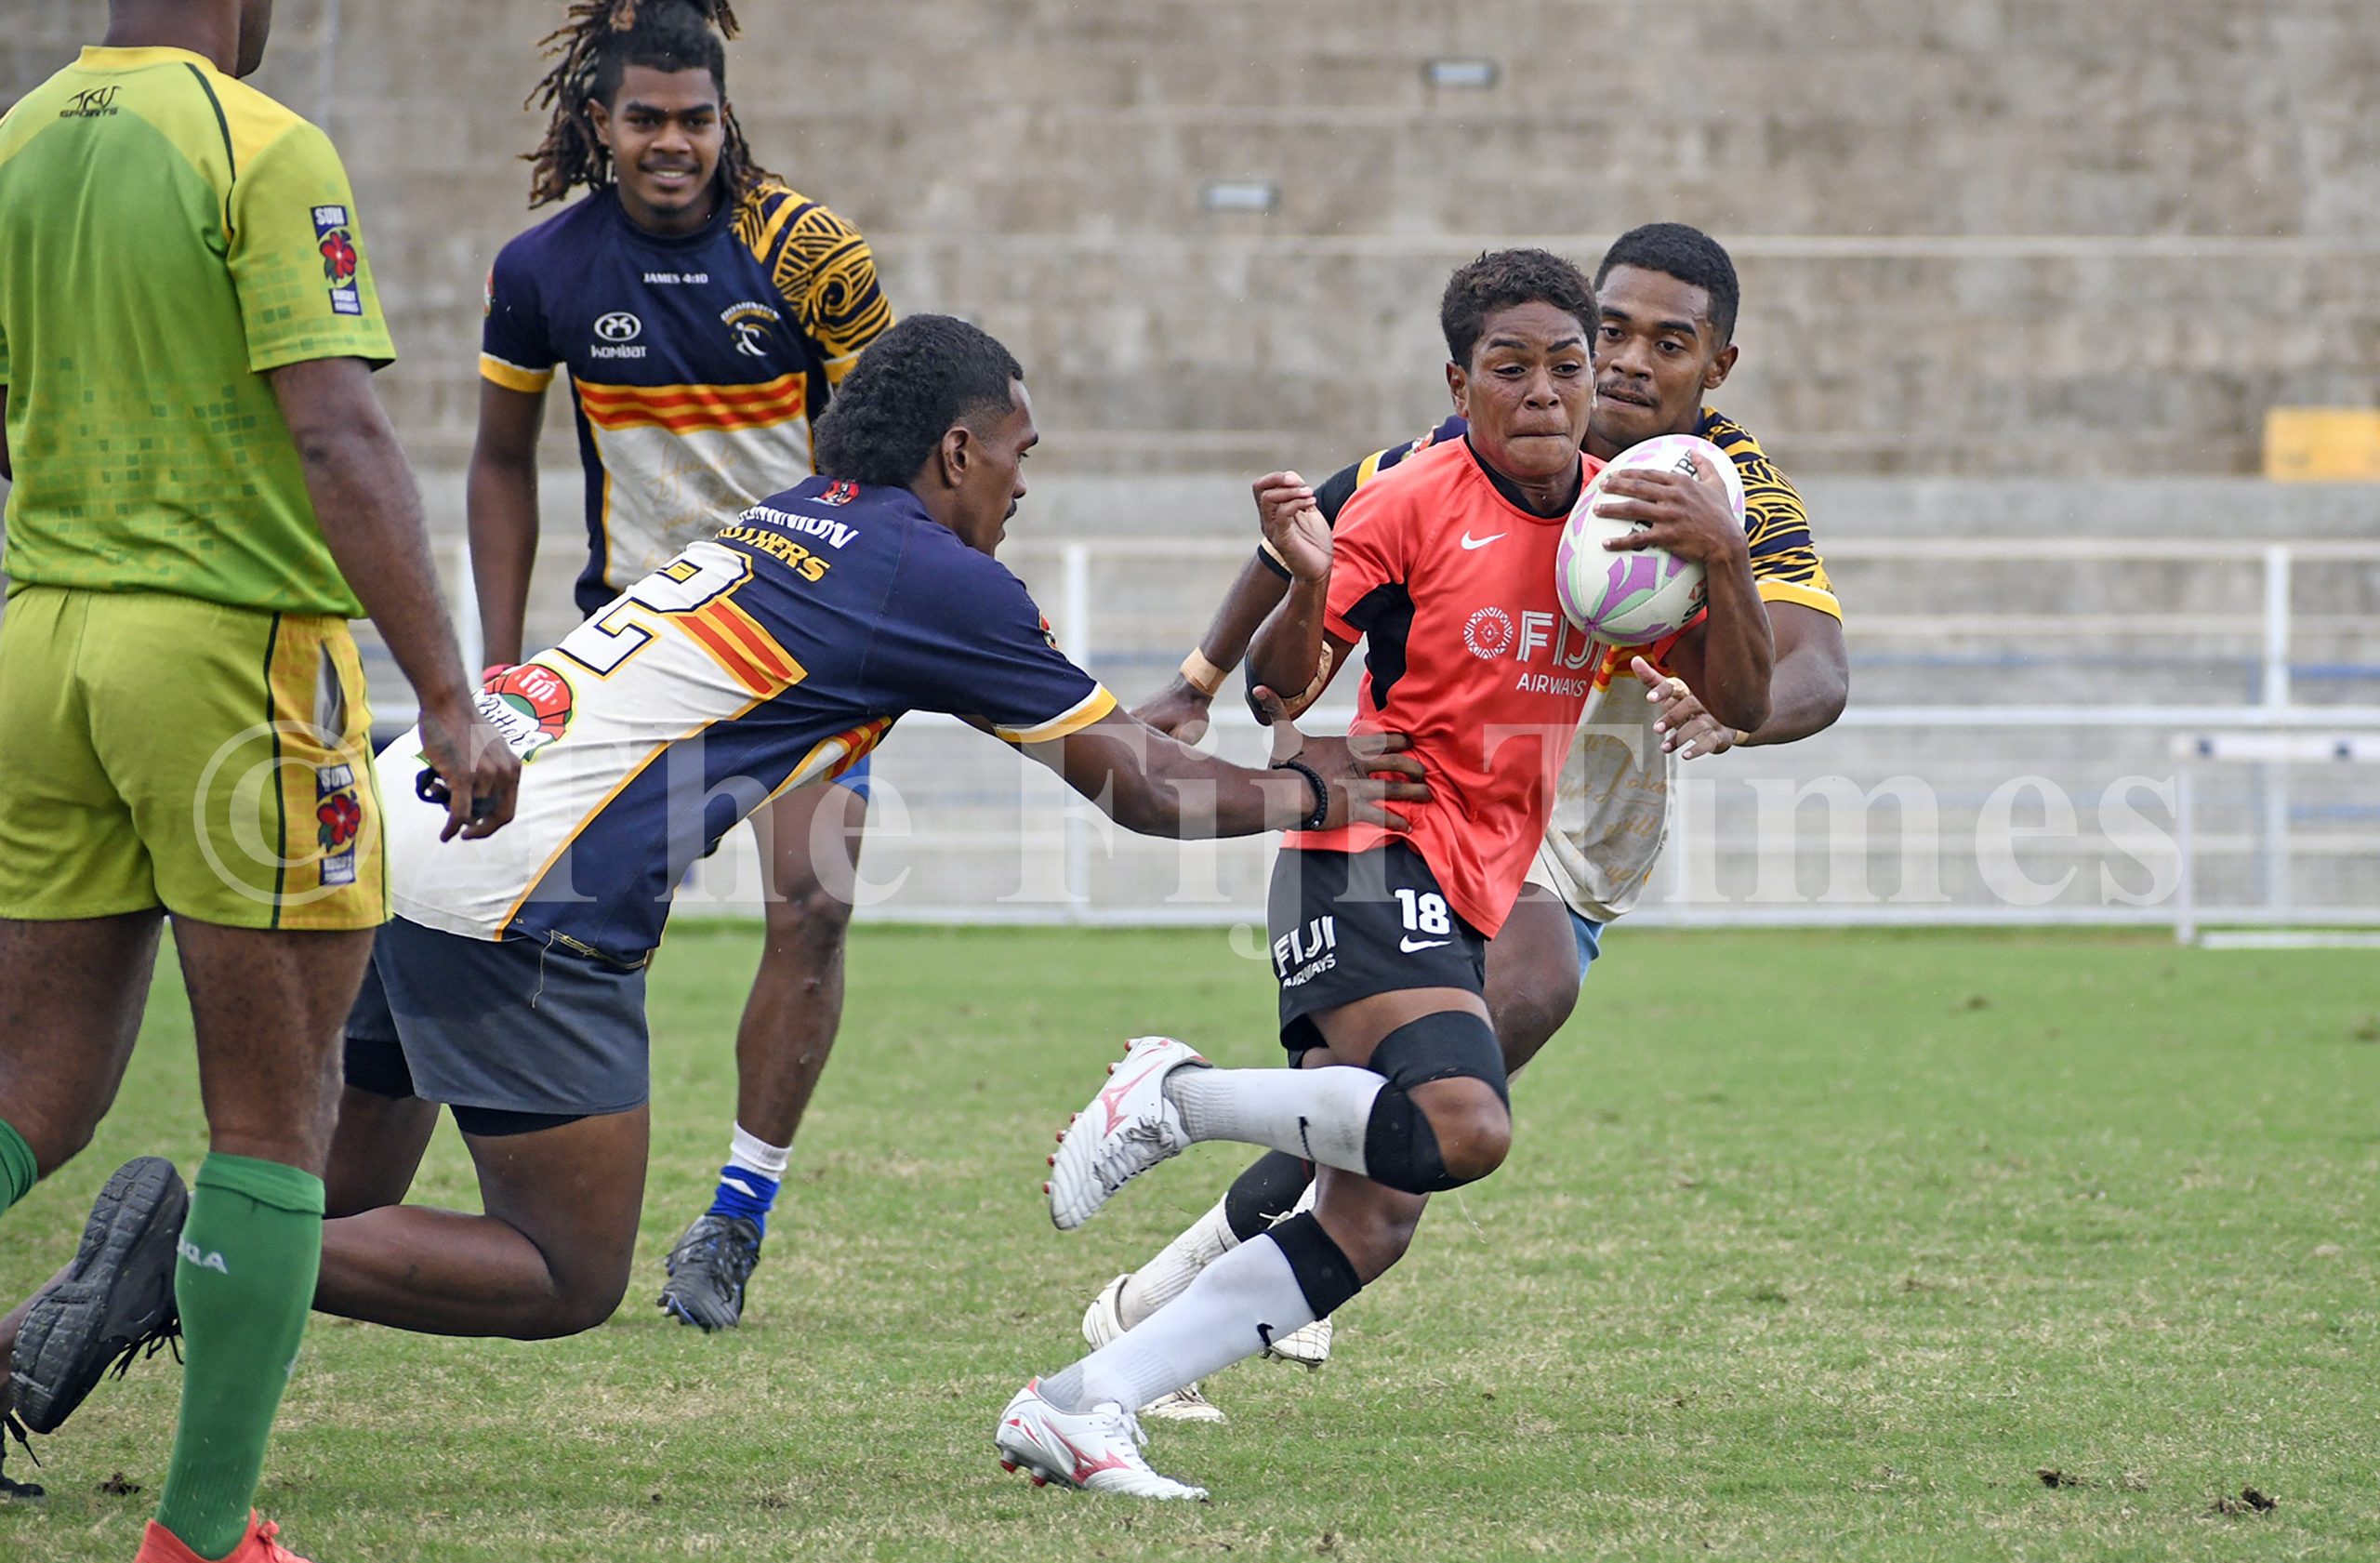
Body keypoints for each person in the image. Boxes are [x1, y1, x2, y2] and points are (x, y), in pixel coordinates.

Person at [0, 317, 1428, 1413]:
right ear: (953, 453)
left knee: (340, 1212)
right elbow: (1142, 794)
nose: (1019, 488)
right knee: (564, 1270)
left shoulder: (788, 524)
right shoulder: (927, 571)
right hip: (525, 887)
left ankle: (46, 1340)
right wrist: (1314, 783)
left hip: (413, 820)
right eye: (1018, 456)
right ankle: (190, 1235)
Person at [995, 248, 1776, 1500]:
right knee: (1464, 1127)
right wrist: (1306, 587)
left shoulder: (1622, 518)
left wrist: (1726, 559)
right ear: (1458, 381)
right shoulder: (1413, 500)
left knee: (1375, 1211)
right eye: (1510, 369)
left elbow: (1746, 696)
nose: (1544, 393)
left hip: (1471, 884)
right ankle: (1176, 1094)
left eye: (1566, 369)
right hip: (1366, 849)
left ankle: (1086, 1401)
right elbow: (1278, 690)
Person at [0, 0, 517, 1563]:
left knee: (32, 1086)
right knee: (272, 1115)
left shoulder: (16, 143)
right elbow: (334, 425)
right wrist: (448, 692)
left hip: (43, 643)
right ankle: (202, 1550)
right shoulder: (257, 141)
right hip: (226, 660)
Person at [471, 0, 894, 1330]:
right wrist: (496, 663)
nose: (671, 144)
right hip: (635, 655)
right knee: (579, 929)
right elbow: (499, 463)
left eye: (694, 120)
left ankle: (735, 1219)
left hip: (812, 660)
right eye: (645, 120)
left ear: (726, 120)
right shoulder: (542, 269)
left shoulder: (813, 255)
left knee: (813, 903)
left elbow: (884, 454)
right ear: (600, 125)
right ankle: (543, 1196)